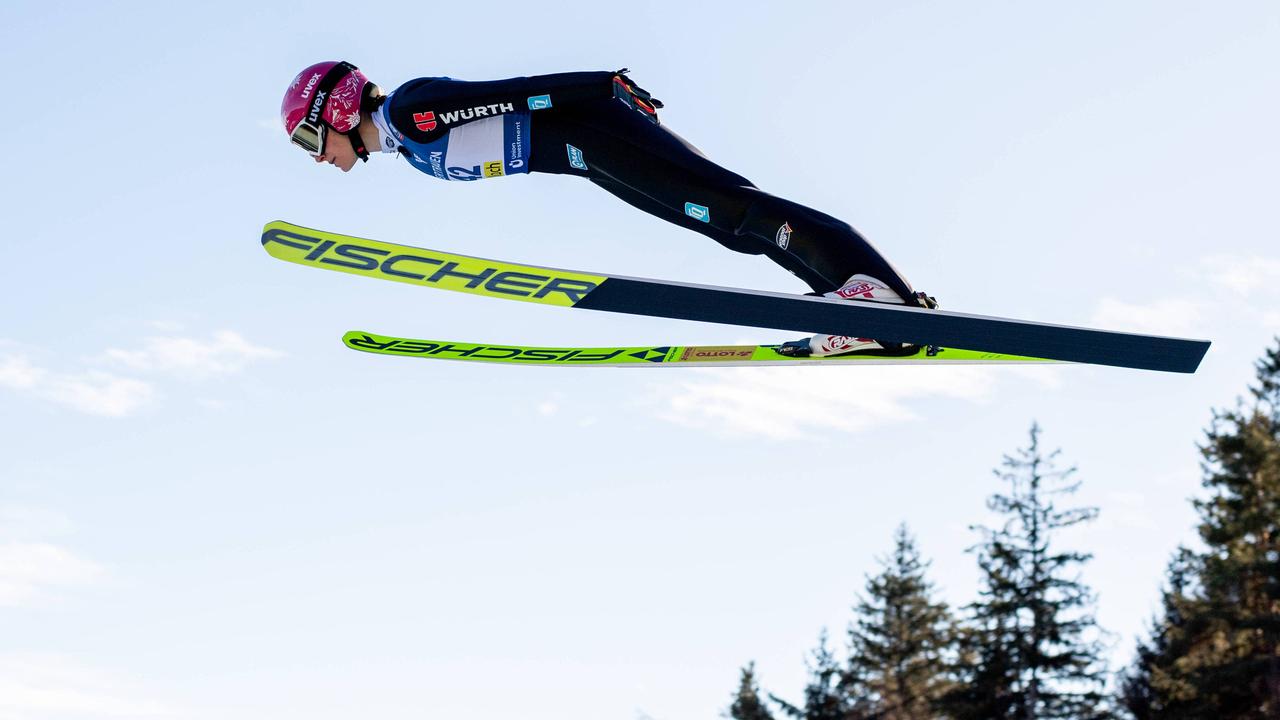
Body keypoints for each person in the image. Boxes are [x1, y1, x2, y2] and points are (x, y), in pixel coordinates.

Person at [279, 61, 937, 357]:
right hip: (589, 157)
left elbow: (514, 93)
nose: (317, 156)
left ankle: (883, 294)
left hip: (597, 134)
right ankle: (854, 302)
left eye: (311, 138)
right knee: (732, 227)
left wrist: (604, 86)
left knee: (735, 210)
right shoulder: (404, 143)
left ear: (333, 111)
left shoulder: (407, 113)